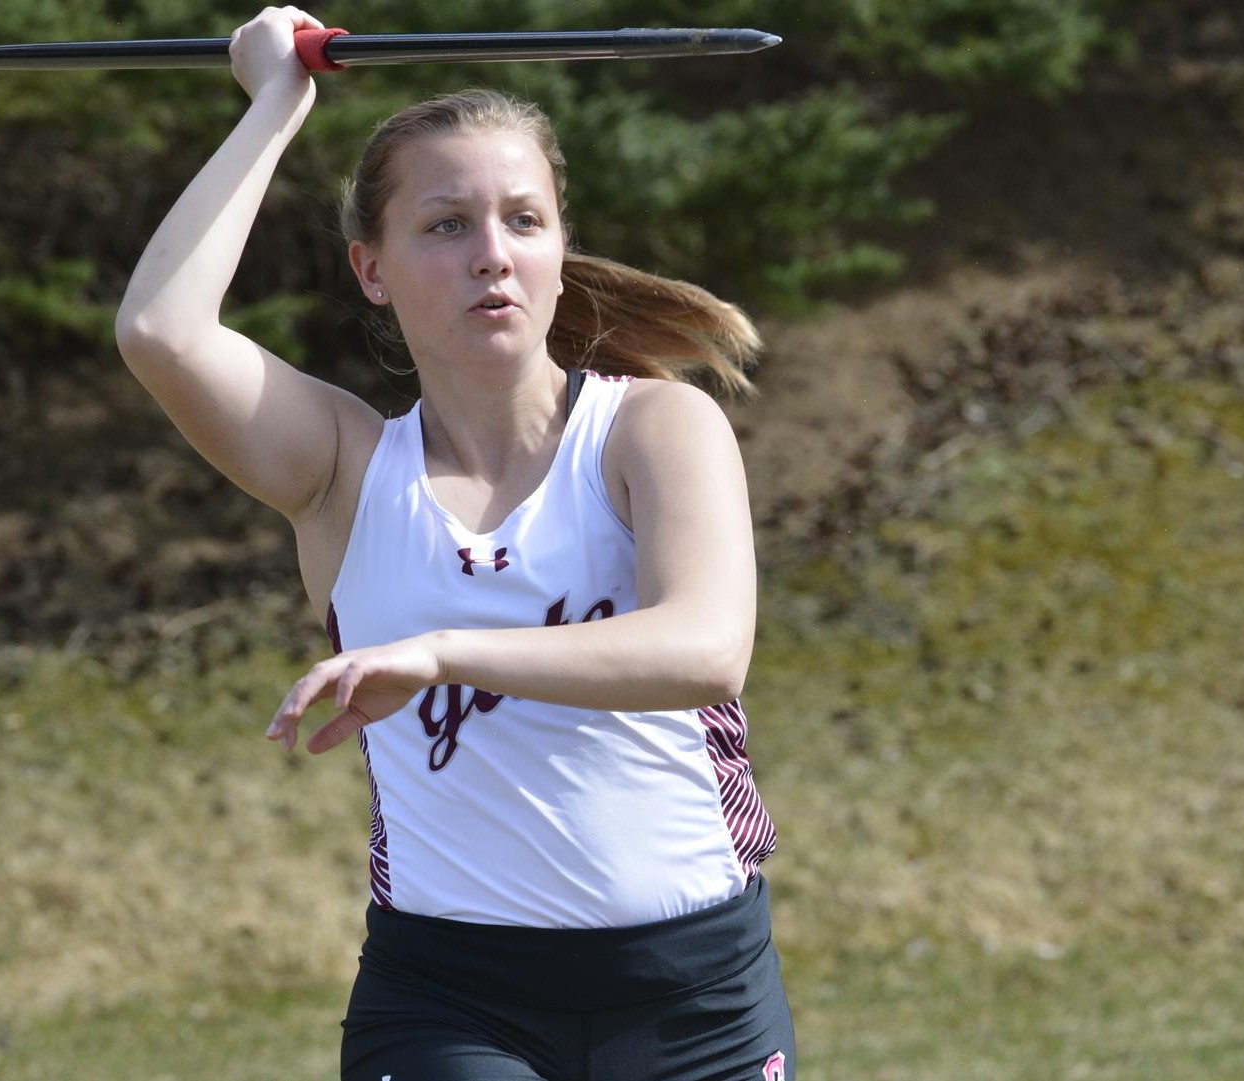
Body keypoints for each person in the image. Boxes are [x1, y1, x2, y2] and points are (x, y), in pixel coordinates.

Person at [114, 8, 795, 1079]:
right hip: (450, 996)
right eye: (445, 226)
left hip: (694, 990)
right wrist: (274, 108)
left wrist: (440, 653)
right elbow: (160, 332)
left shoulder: (653, 428)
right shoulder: (342, 469)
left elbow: (703, 652)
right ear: (371, 269)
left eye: (524, 221)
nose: (493, 256)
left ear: (562, 251)